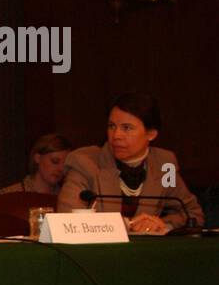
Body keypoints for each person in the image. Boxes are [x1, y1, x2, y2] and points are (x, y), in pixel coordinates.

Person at [58, 93, 203, 233]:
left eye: (126, 128)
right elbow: (68, 219)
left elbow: (191, 213)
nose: (116, 135)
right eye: (112, 126)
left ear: (151, 134)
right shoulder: (84, 162)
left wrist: (163, 224)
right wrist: (130, 225)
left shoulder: (164, 165)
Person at [0, 133, 71, 195]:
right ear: (37, 158)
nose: (61, 169)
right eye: (55, 161)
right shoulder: (10, 194)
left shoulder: (66, 196)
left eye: (65, 165)